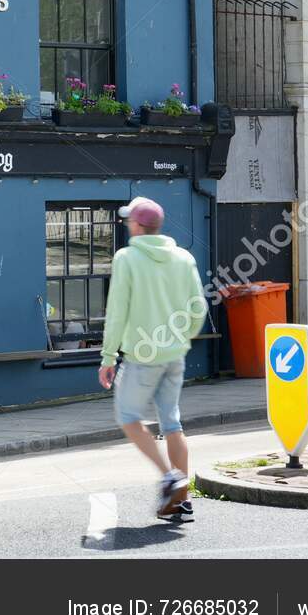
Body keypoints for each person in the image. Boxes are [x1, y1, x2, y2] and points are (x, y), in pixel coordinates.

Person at [98, 196, 206, 519]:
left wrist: (108, 356)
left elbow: (117, 311)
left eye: (129, 220)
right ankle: (182, 502)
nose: (127, 224)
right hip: (175, 354)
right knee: (172, 422)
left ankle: (169, 477)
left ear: (138, 225)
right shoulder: (183, 258)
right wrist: (183, 336)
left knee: (128, 417)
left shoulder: (127, 258)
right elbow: (198, 307)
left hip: (142, 356)